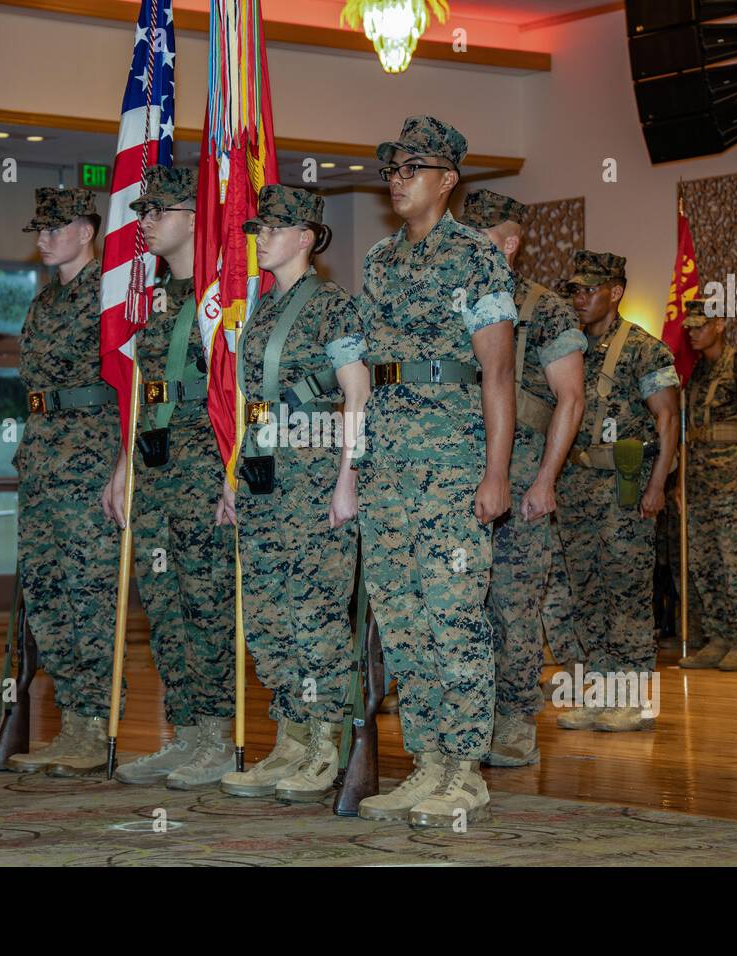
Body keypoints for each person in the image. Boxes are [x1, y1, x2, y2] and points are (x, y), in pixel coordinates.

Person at [353, 116, 517, 827]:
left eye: (412, 167)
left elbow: (500, 374)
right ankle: (427, 762)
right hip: (388, 466)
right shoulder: (379, 259)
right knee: (401, 619)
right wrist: (355, 465)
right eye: (392, 167)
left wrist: (496, 474)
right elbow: (362, 375)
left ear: (448, 179)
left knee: (454, 618)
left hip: (452, 465)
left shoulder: (478, 258)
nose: (397, 178)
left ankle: (465, 769)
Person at [214, 185, 370, 802]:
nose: (261, 238)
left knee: (316, 615)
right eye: (257, 229)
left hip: (313, 481)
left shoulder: (333, 306)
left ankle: (326, 740)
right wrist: (234, 479)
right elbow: (252, 405)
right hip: (263, 479)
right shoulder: (262, 309)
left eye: (274, 229)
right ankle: (291, 737)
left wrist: (348, 478)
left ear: (306, 237)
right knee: (270, 617)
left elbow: (357, 395)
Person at [103, 166, 238, 789]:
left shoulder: (224, 300)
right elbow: (145, 395)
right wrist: (126, 466)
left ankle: (219, 735)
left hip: (203, 469)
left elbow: (237, 396)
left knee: (208, 604)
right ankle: (186, 731)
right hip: (156, 467)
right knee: (164, 606)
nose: (146, 222)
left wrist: (234, 476)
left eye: (159, 211)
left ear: (195, 218)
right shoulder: (158, 301)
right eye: (144, 212)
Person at [456, 188, 585, 766]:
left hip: (523, 480)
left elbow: (572, 399)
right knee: (460, 607)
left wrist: (545, 481)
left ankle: (513, 721)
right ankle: (465, 722)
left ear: (510, 243)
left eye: (480, 241)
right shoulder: (451, 301)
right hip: (455, 477)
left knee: (513, 605)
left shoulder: (546, 307)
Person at [4, 187, 122, 776]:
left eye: (55, 228)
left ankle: (101, 723)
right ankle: (74, 720)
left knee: (91, 597)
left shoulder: (113, 296)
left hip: (92, 459)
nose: (44, 238)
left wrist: (123, 466)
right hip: (44, 459)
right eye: (40, 229)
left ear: (87, 231)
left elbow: (132, 383)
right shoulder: (43, 303)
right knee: (48, 596)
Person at [556, 250, 679, 732]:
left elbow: (668, 420)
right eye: (576, 290)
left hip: (625, 489)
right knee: (586, 594)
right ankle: (602, 691)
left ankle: (632, 696)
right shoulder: (570, 350)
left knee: (626, 594)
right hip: (577, 487)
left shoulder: (645, 349)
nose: (581, 298)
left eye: (590, 289)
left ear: (616, 292)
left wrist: (657, 486)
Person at [677, 299, 737, 671]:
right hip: (699, 482)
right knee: (703, 562)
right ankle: (717, 636)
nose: (693, 333)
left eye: (700, 326)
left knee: (734, 562)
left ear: (721, 324)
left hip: (730, 482)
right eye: (690, 327)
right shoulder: (698, 373)